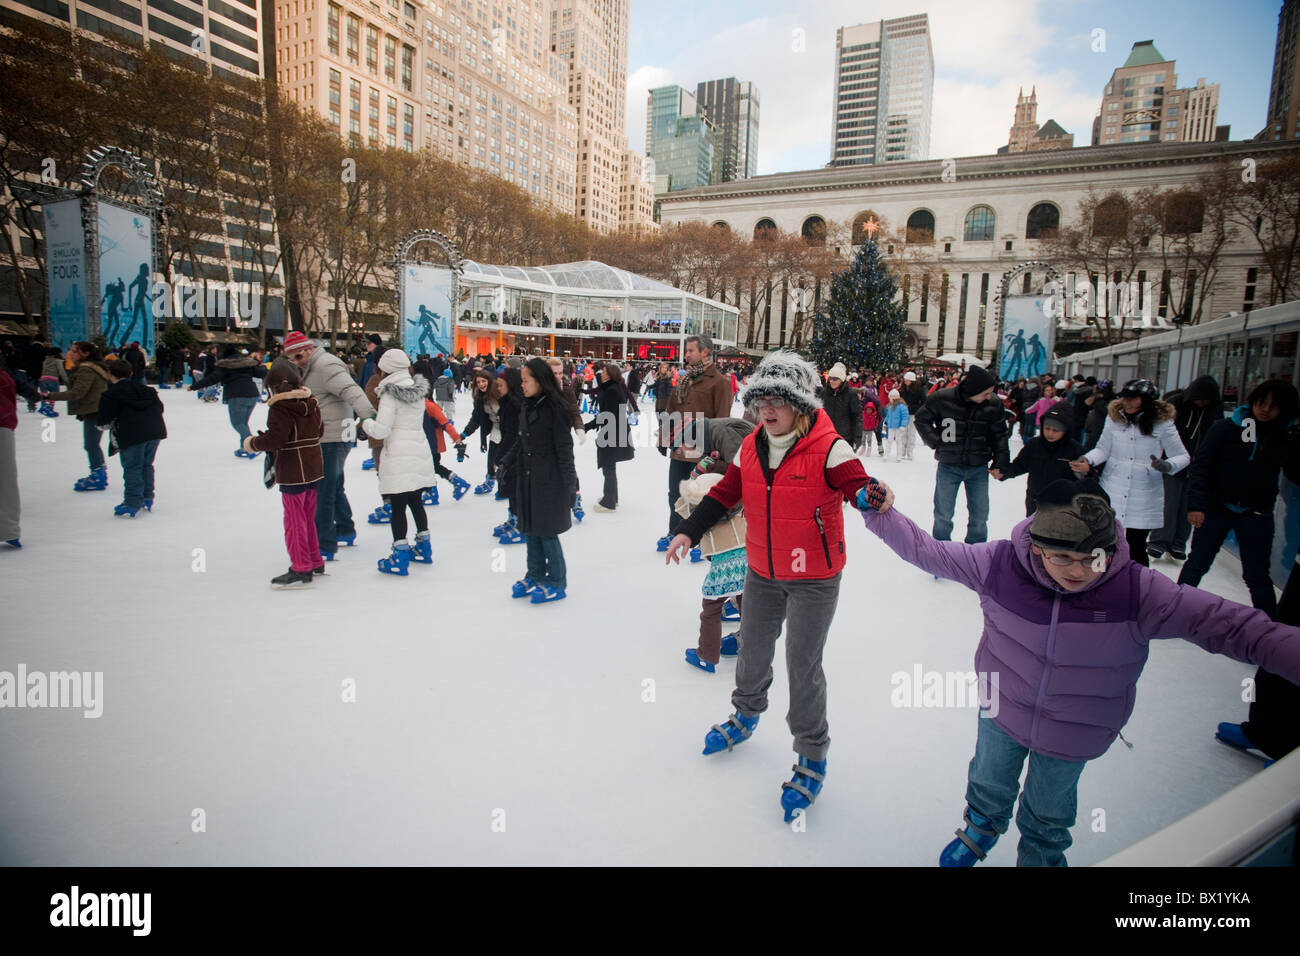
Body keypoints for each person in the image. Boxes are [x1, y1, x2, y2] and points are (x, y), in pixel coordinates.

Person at [856, 475, 1300, 866]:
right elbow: (927, 551)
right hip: (1002, 708)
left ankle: (1042, 856)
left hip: (1075, 730)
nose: (1081, 571)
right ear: (1036, 546)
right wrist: (882, 513)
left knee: (1049, 810)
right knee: (989, 779)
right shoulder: (999, 565)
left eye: (1094, 558)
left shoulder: (1137, 591)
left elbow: (1237, 629)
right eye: (1063, 558)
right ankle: (981, 828)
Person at [666, 351, 878, 823]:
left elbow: (856, 486)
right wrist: (689, 529)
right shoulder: (753, 444)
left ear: (800, 404)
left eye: (778, 401)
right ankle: (745, 713)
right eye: (761, 399)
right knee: (753, 648)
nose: (767, 409)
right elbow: (725, 493)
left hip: (814, 579)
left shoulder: (829, 446)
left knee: (802, 663)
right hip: (762, 568)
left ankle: (811, 752)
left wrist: (870, 495)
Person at [1176, 379, 1300, 616]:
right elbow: (1202, 466)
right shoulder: (1225, 428)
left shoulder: (1285, 436)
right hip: (1216, 507)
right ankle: (1174, 609)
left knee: (1256, 573)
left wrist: (1294, 442)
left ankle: (1270, 628)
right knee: (1198, 562)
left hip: (1256, 513)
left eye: (1274, 406)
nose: (1265, 409)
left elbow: (1294, 472)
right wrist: (1197, 505)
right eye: (1262, 403)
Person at [1069, 379, 1188, 567]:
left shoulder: (1162, 423)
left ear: (1147, 400)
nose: (1127, 403)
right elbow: (1102, 449)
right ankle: (1099, 582)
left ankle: (1137, 586)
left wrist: (1167, 465)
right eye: (1125, 398)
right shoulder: (1114, 418)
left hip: (1144, 493)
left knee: (1136, 545)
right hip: (1113, 487)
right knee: (1105, 540)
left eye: (1133, 399)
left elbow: (1182, 456)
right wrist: (1087, 460)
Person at [282, 330, 375, 561]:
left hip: (332, 436)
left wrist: (368, 416)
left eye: (297, 357)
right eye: (292, 359)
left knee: (322, 490)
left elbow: (351, 390)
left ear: (308, 349)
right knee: (333, 485)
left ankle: (324, 542)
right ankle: (344, 528)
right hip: (328, 434)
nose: (296, 363)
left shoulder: (326, 365)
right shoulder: (312, 367)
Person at [674, 415, 755, 672]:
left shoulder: (721, 434)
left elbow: (738, 475)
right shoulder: (712, 439)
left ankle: (706, 655)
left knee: (710, 608)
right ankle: (753, 650)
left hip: (724, 563)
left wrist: (720, 505)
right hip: (747, 556)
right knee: (747, 600)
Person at [501, 358, 578, 603]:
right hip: (528, 477)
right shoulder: (529, 405)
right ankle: (534, 574)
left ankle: (557, 580)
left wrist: (571, 486)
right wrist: (506, 462)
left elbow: (565, 451)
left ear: (539, 380)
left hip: (549, 480)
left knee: (546, 532)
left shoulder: (556, 409)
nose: (522, 385)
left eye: (526, 381)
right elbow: (520, 441)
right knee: (530, 529)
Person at [244, 360, 324, 590]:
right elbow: (319, 431)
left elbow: (277, 440)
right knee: (307, 516)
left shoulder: (280, 408)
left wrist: (253, 443)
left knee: (294, 520)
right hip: (313, 465)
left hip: (293, 469)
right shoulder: (312, 402)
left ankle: (301, 566)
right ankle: (314, 560)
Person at [914, 365, 1012, 545]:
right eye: (985, 393)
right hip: (949, 466)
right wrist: (936, 441)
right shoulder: (941, 398)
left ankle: (976, 550)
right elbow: (921, 419)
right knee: (943, 513)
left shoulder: (993, 403)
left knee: (980, 515)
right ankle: (942, 550)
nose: (989, 396)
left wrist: (1001, 461)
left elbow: (1000, 435)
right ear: (973, 390)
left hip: (978, 466)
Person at [362, 349, 438, 575]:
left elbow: (383, 428)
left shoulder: (389, 393)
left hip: (398, 452)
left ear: (386, 368)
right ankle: (424, 547)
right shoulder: (417, 390)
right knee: (415, 500)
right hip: (417, 449)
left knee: (397, 505)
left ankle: (400, 553)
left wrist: (366, 422)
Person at [656, 336, 732, 552]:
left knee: (701, 495)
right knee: (675, 493)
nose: (686, 355)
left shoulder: (719, 383)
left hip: (703, 452)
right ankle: (674, 532)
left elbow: (722, 422)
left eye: (690, 350)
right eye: (686, 351)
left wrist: (717, 454)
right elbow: (671, 412)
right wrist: (663, 437)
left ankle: (701, 539)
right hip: (680, 449)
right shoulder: (683, 380)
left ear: (705, 352)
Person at [1147, 376, 1222, 561]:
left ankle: (1178, 542)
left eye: (1207, 399)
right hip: (1173, 462)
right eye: (1199, 398)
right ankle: (1159, 540)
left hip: (1199, 465)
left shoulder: (1214, 410)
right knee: (1168, 502)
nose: (1202, 402)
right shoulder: (1176, 404)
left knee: (1188, 505)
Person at [96, 358, 167, 517]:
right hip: (154, 431)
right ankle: (147, 496)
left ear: (109, 374)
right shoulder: (147, 390)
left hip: (132, 434)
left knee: (133, 467)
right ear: (131, 373)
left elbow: (103, 420)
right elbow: (160, 408)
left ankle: (132, 502)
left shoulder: (111, 394)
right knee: (146, 464)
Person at [43, 341, 113, 492]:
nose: (70, 353)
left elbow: (77, 392)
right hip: (94, 408)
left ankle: (97, 475)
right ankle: (98, 473)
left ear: (85, 353)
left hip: (94, 410)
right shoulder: (92, 367)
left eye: (74, 351)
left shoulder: (86, 370)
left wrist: (50, 395)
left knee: (91, 444)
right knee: (92, 444)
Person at [992, 405, 1082, 516]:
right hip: (1035, 500)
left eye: (1055, 430)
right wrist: (1003, 473)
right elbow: (1020, 465)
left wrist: (1087, 471)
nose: (1050, 433)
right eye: (1047, 429)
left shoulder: (1074, 449)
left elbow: (1083, 477)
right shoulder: (1034, 445)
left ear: (1065, 431)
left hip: (1062, 504)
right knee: (1032, 530)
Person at [189, 344, 269, 457]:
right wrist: (263, 367)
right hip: (252, 395)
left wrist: (194, 386)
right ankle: (244, 447)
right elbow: (261, 372)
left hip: (237, 395)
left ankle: (252, 446)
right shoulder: (247, 364)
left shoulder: (225, 366)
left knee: (237, 423)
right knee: (243, 423)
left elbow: (212, 378)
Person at [0, 353, 42, 547]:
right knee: (5, 478)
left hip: (3, 424)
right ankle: (8, 528)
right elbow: (13, 383)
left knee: (5, 477)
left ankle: (8, 528)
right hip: (3, 425)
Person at [585, 362, 637, 513]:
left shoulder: (613, 390)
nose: (601, 373)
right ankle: (612, 497)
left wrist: (588, 426)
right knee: (609, 466)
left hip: (612, 432)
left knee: (608, 466)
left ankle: (609, 502)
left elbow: (606, 415)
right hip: (614, 430)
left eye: (604, 371)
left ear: (610, 374)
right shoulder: (613, 387)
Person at [459, 368, 503, 494]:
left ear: (489, 381)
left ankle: (508, 486)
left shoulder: (500, 393)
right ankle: (489, 482)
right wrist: (465, 433)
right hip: (496, 428)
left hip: (509, 428)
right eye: (478, 382)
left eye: (483, 381)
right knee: (492, 459)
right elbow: (476, 419)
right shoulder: (480, 399)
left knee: (507, 459)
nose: (481, 384)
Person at [819, 362, 862, 450]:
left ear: (842, 380)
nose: (832, 381)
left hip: (844, 437)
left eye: (835, 379)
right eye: (830, 378)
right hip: (826, 435)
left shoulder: (851, 394)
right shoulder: (823, 394)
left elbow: (856, 416)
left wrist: (858, 435)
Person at [899, 371, 926, 460]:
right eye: (905, 380)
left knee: (911, 433)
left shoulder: (919, 390)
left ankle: (910, 451)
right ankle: (902, 450)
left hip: (913, 413)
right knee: (903, 432)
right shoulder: (902, 389)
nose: (905, 382)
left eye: (907, 381)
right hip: (903, 413)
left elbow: (924, 402)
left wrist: (913, 408)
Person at [883, 389, 909, 461]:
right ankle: (886, 454)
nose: (889, 400)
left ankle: (899, 455)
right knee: (889, 440)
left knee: (898, 440)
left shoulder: (902, 407)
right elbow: (888, 416)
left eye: (890, 398)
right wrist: (885, 422)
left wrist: (903, 426)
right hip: (891, 426)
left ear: (894, 398)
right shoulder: (890, 406)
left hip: (898, 427)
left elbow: (905, 417)